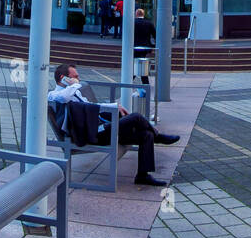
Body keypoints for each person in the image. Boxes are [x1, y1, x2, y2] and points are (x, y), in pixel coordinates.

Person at [48, 62, 178, 187]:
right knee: (136, 117)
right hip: (91, 134)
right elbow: (64, 98)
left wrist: (115, 106)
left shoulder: (74, 92)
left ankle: (142, 176)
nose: (78, 79)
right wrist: (75, 85)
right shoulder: (54, 95)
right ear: (63, 78)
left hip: (101, 127)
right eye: (75, 76)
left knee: (146, 134)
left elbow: (93, 106)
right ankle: (159, 137)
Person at [133, 7, 157, 85]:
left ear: (136, 14)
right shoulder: (149, 23)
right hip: (145, 47)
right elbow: (155, 35)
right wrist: (153, 46)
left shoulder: (133, 22)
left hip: (134, 47)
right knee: (142, 64)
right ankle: (145, 82)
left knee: (135, 64)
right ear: (143, 14)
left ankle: (129, 80)